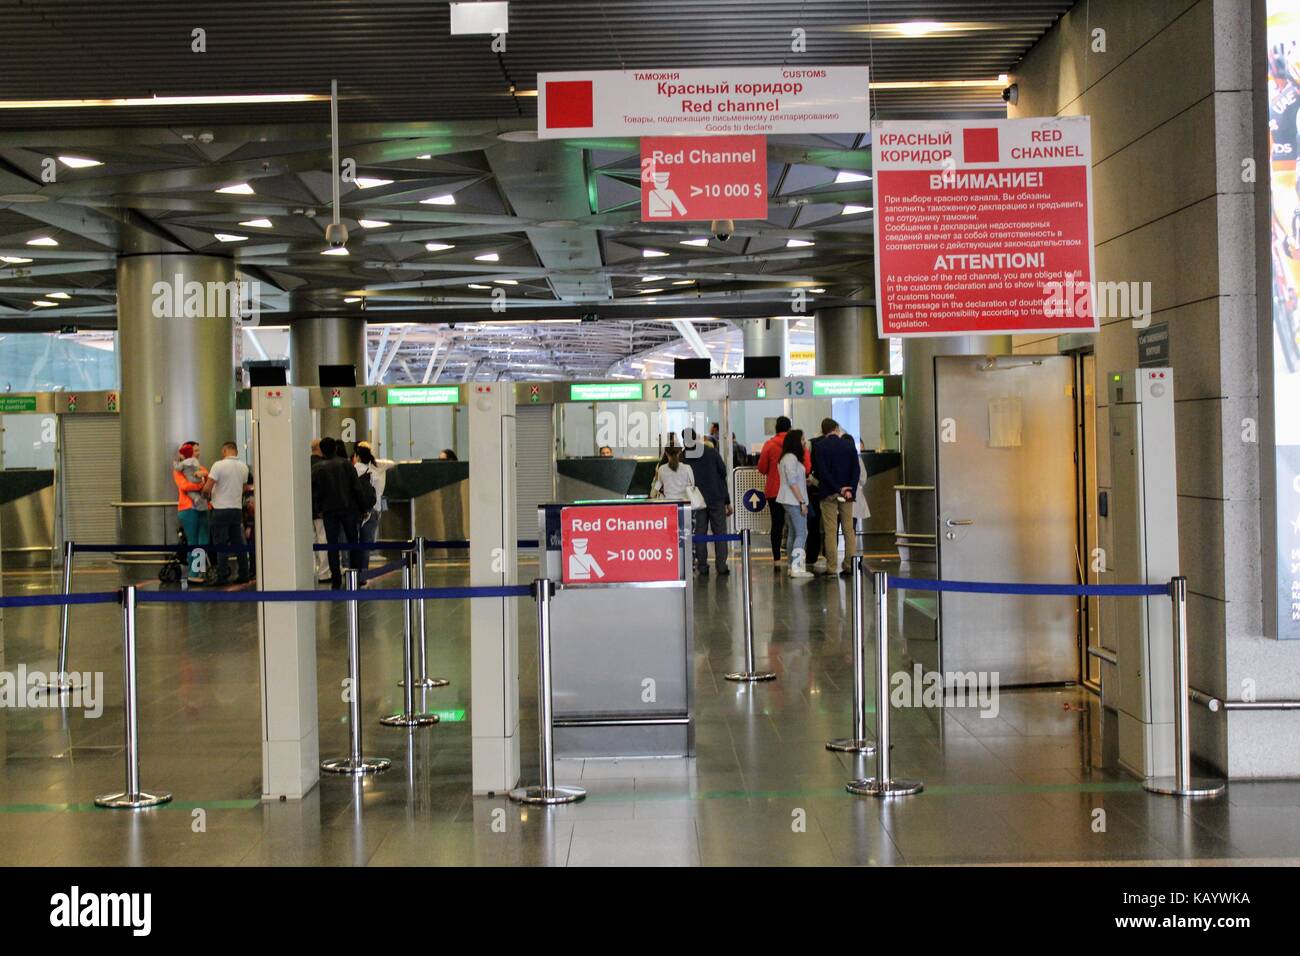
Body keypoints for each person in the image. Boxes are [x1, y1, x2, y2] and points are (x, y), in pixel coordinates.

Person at [312, 436, 368, 589]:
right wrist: (363, 508)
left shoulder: (318, 468)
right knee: (352, 542)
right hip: (348, 508)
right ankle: (355, 575)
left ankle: (336, 578)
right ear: (336, 448)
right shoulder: (346, 464)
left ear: (322, 451)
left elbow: (315, 492)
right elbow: (356, 488)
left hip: (329, 511)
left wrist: (319, 509)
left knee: (332, 544)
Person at [756, 416, 810, 567]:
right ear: (790, 428)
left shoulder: (769, 445)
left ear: (776, 428)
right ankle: (796, 565)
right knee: (796, 529)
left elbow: (761, 468)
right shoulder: (798, 447)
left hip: (775, 491)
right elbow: (807, 467)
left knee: (777, 525)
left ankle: (777, 559)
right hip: (795, 493)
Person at [812, 418, 862, 577]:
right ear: (836, 428)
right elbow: (856, 470)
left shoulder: (820, 447)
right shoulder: (848, 445)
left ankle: (831, 567)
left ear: (823, 431)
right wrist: (849, 489)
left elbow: (823, 473)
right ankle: (849, 565)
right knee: (849, 529)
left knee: (830, 530)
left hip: (828, 493)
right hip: (847, 493)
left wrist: (837, 488)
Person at [682, 427, 731, 575]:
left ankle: (702, 566)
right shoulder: (711, 452)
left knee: (700, 532)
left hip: (697, 500)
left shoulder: (683, 457)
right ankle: (721, 566)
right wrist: (727, 501)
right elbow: (723, 473)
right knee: (720, 532)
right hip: (716, 497)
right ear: (696, 437)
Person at [204, 441, 251, 583]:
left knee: (221, 544)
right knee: (239, 544)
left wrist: (205, 496)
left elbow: (207, 487)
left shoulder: (218, 465)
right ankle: (244, 574)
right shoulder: (244, 467)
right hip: (236, 510)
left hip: (220, 510)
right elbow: (243, 488)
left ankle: (222, 575)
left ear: (224, 451)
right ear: (236, 451)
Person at [776, 429, 814, 578]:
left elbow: (792, 480)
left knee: (793, 532)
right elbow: (792, 482)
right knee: (802, 532)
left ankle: (792, 565)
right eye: (802, 439)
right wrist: (802, 502)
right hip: (794, 500)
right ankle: (797, 567)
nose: (805, 441)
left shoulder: (786, 457)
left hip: (788, 499)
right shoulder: (791, 457)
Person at [173, 442, 210, 583]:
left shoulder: (200, 467)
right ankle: (193, 573)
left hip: (203, 507)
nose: (197, 453)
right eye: (194, 450)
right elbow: (184, 486)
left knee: (203, 541)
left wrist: (204, 475)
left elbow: (209, 477)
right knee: (194, 541)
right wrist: (201, 484)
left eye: (198, 450)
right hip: (188, 509)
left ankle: (200, 571)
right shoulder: (179, 470)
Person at [354, 441, 396, 553]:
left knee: (353, 543)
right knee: (366, 545)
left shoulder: (354, 469)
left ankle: (354, 569)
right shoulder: (377, 469)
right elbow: (392, 463)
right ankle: (364, 569)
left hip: (358, 510)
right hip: (375, 508)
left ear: (357, 456)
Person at [651, 445, 699, 511]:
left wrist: (652, 494)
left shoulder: (662, 469)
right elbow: (692, 485)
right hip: (684, 504)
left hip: (668, 504)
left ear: (666, 453)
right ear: (679, 452)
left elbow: (658, 486)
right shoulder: (687, 467)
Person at [310, 439, 330, 583]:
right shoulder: (323, 465)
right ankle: (323, 572)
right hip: (320, 508)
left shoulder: (304, 463)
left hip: (305, 508)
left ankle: (310, 571)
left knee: (310, 540)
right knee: (323, 538)